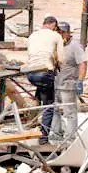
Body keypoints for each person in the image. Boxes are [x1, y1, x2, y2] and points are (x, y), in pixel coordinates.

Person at [25, 15, 63, 144]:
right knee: (49, 105)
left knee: (40, 94)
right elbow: (61, 59)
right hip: (45, 73)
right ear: (54, 25)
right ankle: (43, 136)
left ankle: (33, 122)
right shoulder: (56, 36)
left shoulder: (32, 36)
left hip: (31, 74)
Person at [52, 21, 87, 141]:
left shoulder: (75, 46)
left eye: (62, 32)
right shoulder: (57, 45)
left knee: (70, 113)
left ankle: (70, 138)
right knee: (54, 110)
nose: (60, 35)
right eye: (58, 32)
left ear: (68, 33)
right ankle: (56, 135)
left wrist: (80, 81)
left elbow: (82, 63)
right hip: (56, 83)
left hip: (68, 84)